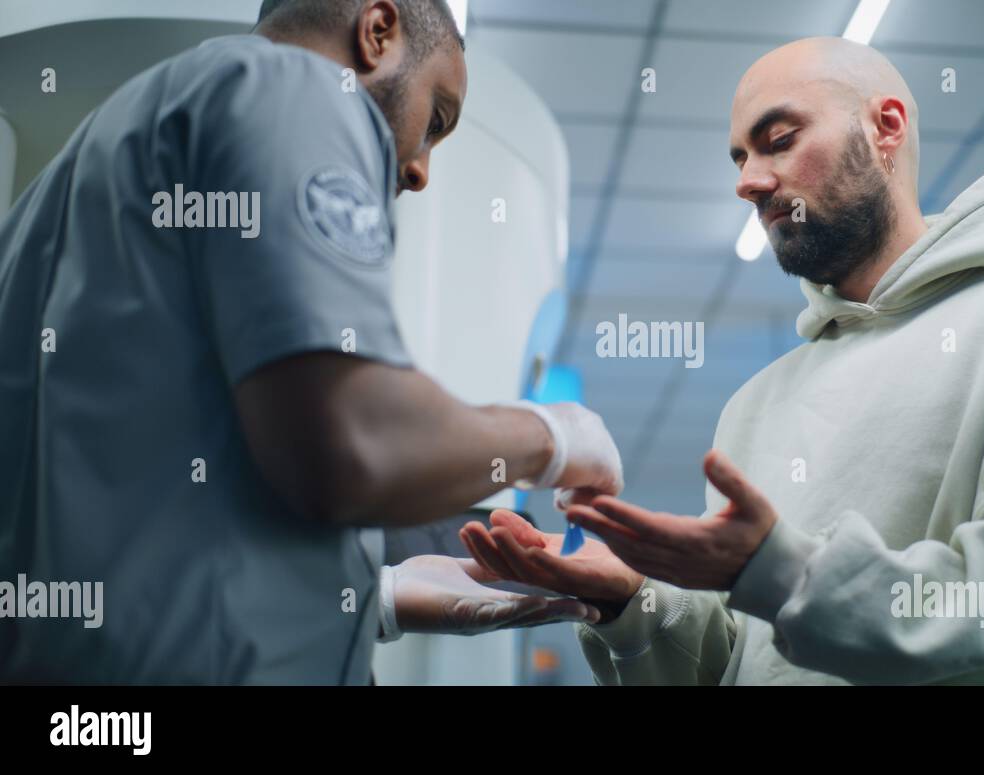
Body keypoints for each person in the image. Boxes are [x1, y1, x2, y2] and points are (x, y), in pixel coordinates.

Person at [460, 37, 984, 685]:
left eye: (777, 140)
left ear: (885, 129)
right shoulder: (756, 403)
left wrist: (778, 572)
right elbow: (740, 662)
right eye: (740, 158)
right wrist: (632, 597)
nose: (748, 179)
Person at [0, 0, 623, 684]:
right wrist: (554, 437)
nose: (420, 170)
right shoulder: (297, 88)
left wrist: (372, 598)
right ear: (378, 31)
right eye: (435, 118)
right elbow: (354, 443)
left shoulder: (51, 197)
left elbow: (157, 487)